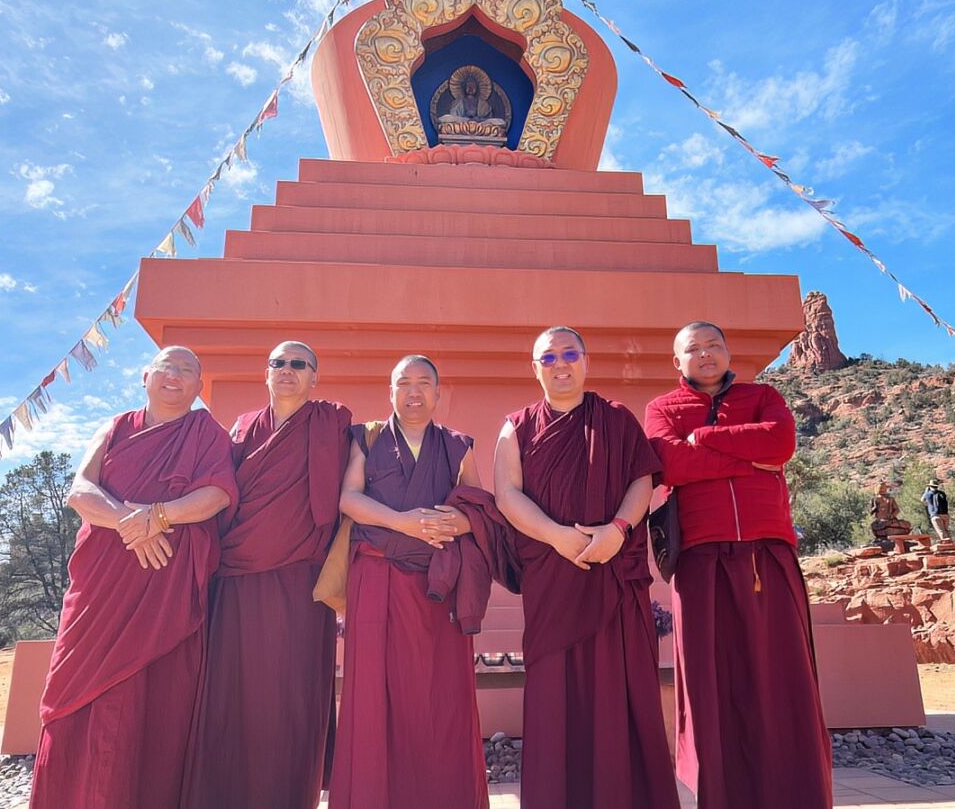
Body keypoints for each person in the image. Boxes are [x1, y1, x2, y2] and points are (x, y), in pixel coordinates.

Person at [29, 347, 238, 809]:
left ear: (199, 387)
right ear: (145, 376)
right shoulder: (115, 427)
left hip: (165, 596)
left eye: (188, 371)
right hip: (100, 592)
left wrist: (158, 516)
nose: (176, 376)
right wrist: (135, 523)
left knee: (159, 705)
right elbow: (81, 491)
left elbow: (218, 495)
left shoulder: (207, 433)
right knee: (74, 693)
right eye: (167, 367)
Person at [644, 321, 833, 809]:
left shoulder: (764, 396)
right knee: (709, 680)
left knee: (781, 673)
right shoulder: (661, 409)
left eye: (713, 346)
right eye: (693, 349)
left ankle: (795, 790)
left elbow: (781, 444)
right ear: (677, 361)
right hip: (700, 557)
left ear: (728, 353)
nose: (705, 355)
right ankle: (719, 794)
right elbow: (670, 465)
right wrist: (748, 459)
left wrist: (702, 438)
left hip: (767, 552)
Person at [494, 326, 680, 809]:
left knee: (622, 687)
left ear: (586, 361)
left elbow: (643, 480)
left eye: (569, 353)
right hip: (552, 577)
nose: (560, 364)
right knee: (555, 694)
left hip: (613, 574)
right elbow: (506, 493)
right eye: (548, 357)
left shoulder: (616, 419)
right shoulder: (516, 426)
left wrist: (616, 531)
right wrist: (559, 537)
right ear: (535, 367)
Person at [330, 355, 512, 809]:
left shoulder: (456, 445)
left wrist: (459, 522)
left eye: (423, 383)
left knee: (439, 695)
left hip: (437, 588)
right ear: (390, 392)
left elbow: (481, 510)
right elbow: (349, 498)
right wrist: (403, 523)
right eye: (403, 384)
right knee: (374, 694)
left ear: (437, 392)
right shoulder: (368, 438)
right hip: (376, 580)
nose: (414, 392)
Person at [183, 341, 352, 809]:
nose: (288, 371)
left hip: (301, 581)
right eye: (279, 363)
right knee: (234, 689)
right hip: (238, 577)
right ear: (266, 373)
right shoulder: (240, 429)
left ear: (314, 378)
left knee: (293, 693)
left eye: (300, 365)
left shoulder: (333, 423)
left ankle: (292, 794)